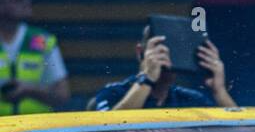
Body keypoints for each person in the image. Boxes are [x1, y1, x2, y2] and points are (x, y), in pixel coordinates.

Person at [92, 22, 235, 111]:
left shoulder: (191, 100)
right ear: (140, 52)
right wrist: (147, 78)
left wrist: (219, 91)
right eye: (160, 50)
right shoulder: (112, 93)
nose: (167, 57)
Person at [0, 0, 69, 115]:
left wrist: (30, 90)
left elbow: (62, 95)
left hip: (36, 126)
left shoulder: (42, 41)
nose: (27, 2)